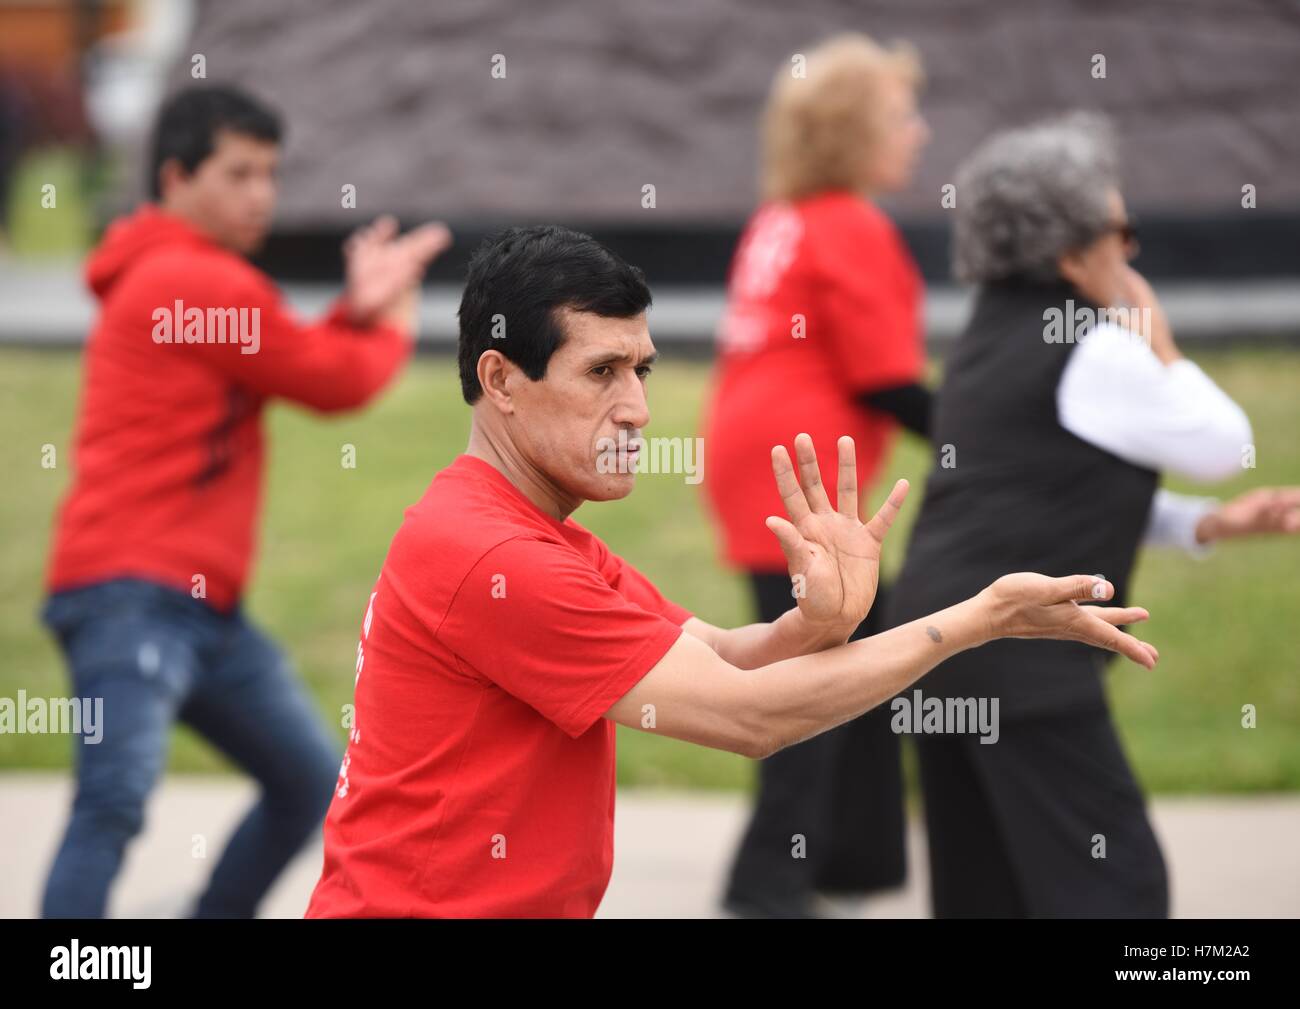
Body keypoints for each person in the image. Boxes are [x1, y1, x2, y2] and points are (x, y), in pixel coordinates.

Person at [305, 224, 1159, 919]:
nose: (636, 408)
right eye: (600, 372)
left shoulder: (527, 530)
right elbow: (750, 718)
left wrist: (816, 624)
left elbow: (720, 656)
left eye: (640, 369)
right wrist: (979, 621)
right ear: (501, 378)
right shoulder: (497, 557)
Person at [40, 84, 451, 918]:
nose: (261, 193)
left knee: (306, 779)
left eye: (270, 173)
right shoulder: (194, 280)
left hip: (198, 609)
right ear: (175, 177)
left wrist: (352, 310)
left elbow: (286, 353)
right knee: (112, 803)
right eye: (238, 173)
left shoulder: (182, 277)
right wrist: (393, 317)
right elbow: (331, 378)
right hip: (131, 595)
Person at [886, 112, 1300, 918]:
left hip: (935, 642)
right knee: (1115, 888)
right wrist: (1159, 336)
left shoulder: (988, 330)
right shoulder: (1097, 346)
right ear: (1073, 252)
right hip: (1019, 656)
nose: (1134, 250)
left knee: (986, 890)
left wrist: (1206, 526)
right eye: (1122, 229)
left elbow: (1043, 489)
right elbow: (1226, 443)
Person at [700, 33, 932, 917]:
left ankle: (848, 865)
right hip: (801, 478)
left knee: (859, 657)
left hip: (756, 462)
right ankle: (768, 888)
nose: (918, 132)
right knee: (817, 678)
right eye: (901, 116)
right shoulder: (848, 222)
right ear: (853, 133)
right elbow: (888, 380)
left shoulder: (786, 216)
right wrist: (985, 439)